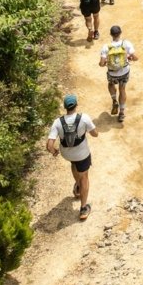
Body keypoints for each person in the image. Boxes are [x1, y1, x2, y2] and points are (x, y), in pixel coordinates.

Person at [46, 93, 99, 221]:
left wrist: (54, 151)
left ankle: (77, 185)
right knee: (85, 177)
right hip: (82, 154)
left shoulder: (58, 122)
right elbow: (95, 134)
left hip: (67, 154)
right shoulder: (84, 118)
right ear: (76, 105)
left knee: (74, 164)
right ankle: (83, 208)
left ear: (65, 107)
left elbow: (49, 145)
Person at [99, 24, 138, 123]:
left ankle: (114, 100)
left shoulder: (106, 47)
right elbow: (136, 58)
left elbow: (101, 63)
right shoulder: (126, 44)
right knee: (122, 89)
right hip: (124, 72)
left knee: (111, 84)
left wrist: (106, 63)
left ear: (111, 34)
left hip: (112, 73)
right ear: (120, 33)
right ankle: (121, 113)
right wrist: (129, 58)